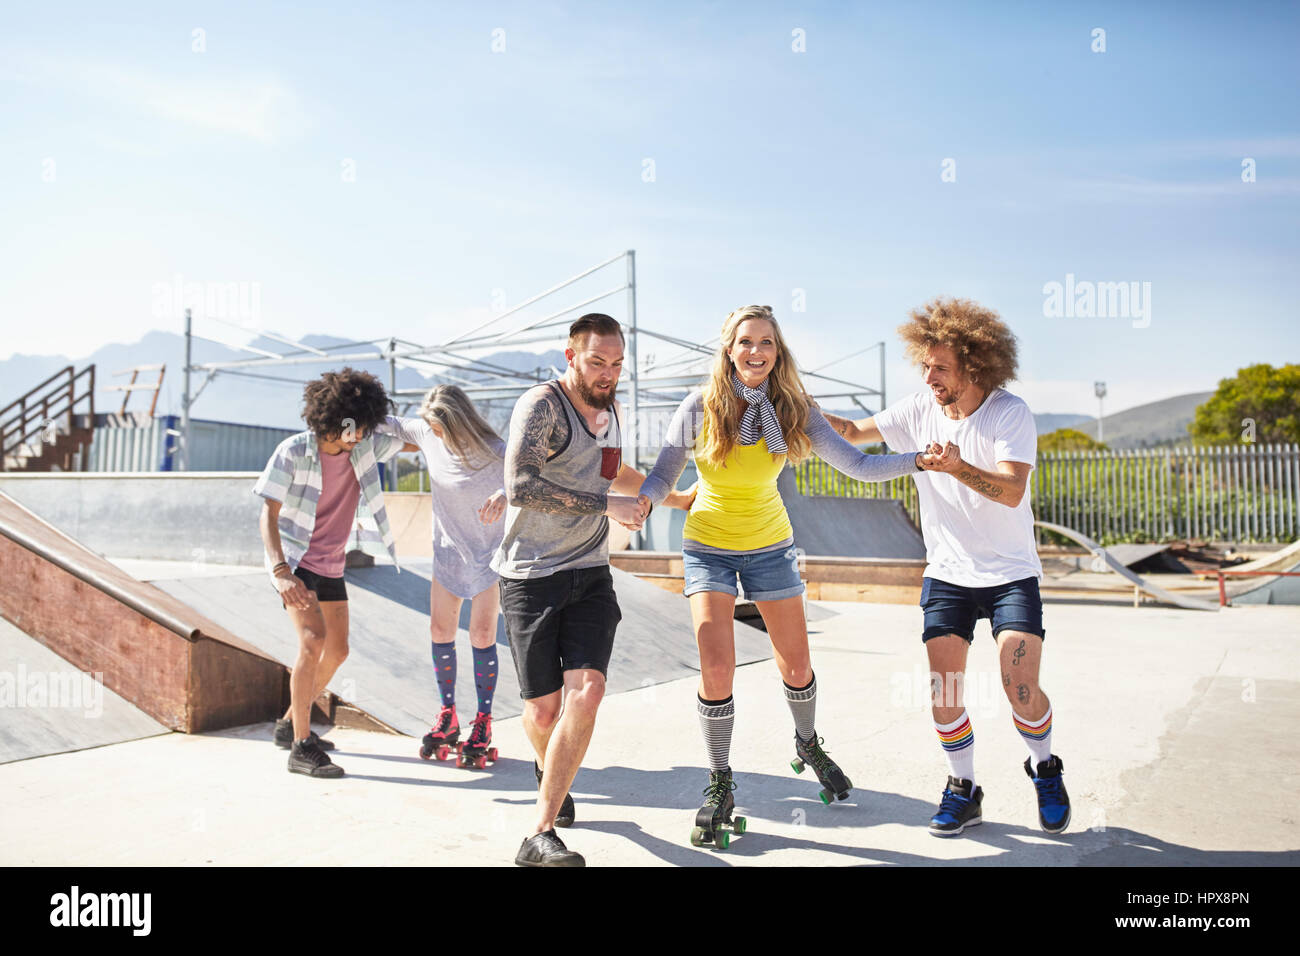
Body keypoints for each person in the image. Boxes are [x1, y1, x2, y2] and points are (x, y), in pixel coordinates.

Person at [636, 304, 924, 846]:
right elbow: (661, 474)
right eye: (746, 341)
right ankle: (720, 778)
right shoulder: (699, 407)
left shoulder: (793, 408)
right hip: (708, 546)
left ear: (777, 350)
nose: (756, 351)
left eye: (766, 342)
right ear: (729, 348)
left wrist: (920, 461)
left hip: (772, 545)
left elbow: (858, 466)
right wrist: (644, 505)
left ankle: (808, 741)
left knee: (796, 664)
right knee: (717, 667)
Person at [821, 297, 1071, 836]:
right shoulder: (917, 409)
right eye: (926, 365)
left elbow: (1010, 491)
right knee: (944, 694)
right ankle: (964, 788)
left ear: (974, 367)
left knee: (1020, 687)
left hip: (1009, 575)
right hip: (949, 574)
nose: (928, 376)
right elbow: (852, 433)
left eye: (940, 368)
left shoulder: (1008, 413)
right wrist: (794, 404)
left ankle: (1045, 767)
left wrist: (957, 467)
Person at [495, 312, 695, 866]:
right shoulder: (542, 406)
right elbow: (522, 484)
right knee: (542, 713)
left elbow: (612, 469)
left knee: (587, 693)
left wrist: (672, 499)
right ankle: (548, 770)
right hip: (531, 575)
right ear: (570, 357)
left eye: (616, 363)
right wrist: (608, 505)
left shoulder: (612, 411)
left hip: (589, 572)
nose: (607, 373)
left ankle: (539, 833)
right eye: (596, 361)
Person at [254, 368, 418, 778]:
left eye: (364, 425)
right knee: (313, 641)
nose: (358, 434)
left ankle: (291, 722)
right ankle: (301, 746)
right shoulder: (293, 452)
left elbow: (414, 444)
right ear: (330, 418)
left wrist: (390, 421)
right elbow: (267, 515)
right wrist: (280, 571)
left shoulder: (363, 448)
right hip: (296, 562)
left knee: (339, 650)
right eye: (353, 425)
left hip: (331, 562)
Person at [378, 385, 508, 768]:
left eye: (439, 429)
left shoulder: (497, 451)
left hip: (489, 555)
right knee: (440, 631)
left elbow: (529, 476)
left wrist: (504, 493)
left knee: (483, 635)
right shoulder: (425, 434)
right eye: (430, 428)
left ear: (458, 424)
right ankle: (448, 714)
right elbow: (386, 424)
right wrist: (349, 414)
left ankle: (483, 720)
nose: (432, 435)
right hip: (448, 552)